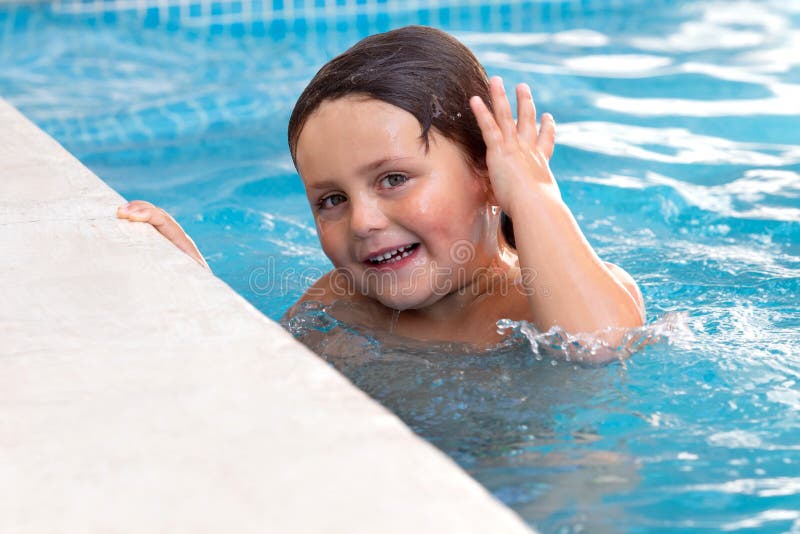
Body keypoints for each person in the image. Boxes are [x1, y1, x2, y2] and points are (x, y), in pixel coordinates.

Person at [118, 25, 645, 348]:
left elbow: (598, 348)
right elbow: (257, 383)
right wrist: (196, 292)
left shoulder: (550, 299)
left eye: (393, 179)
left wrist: (533, 195)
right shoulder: (341, 307)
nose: (363, 221)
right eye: (332, 200)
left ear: (487, 175)